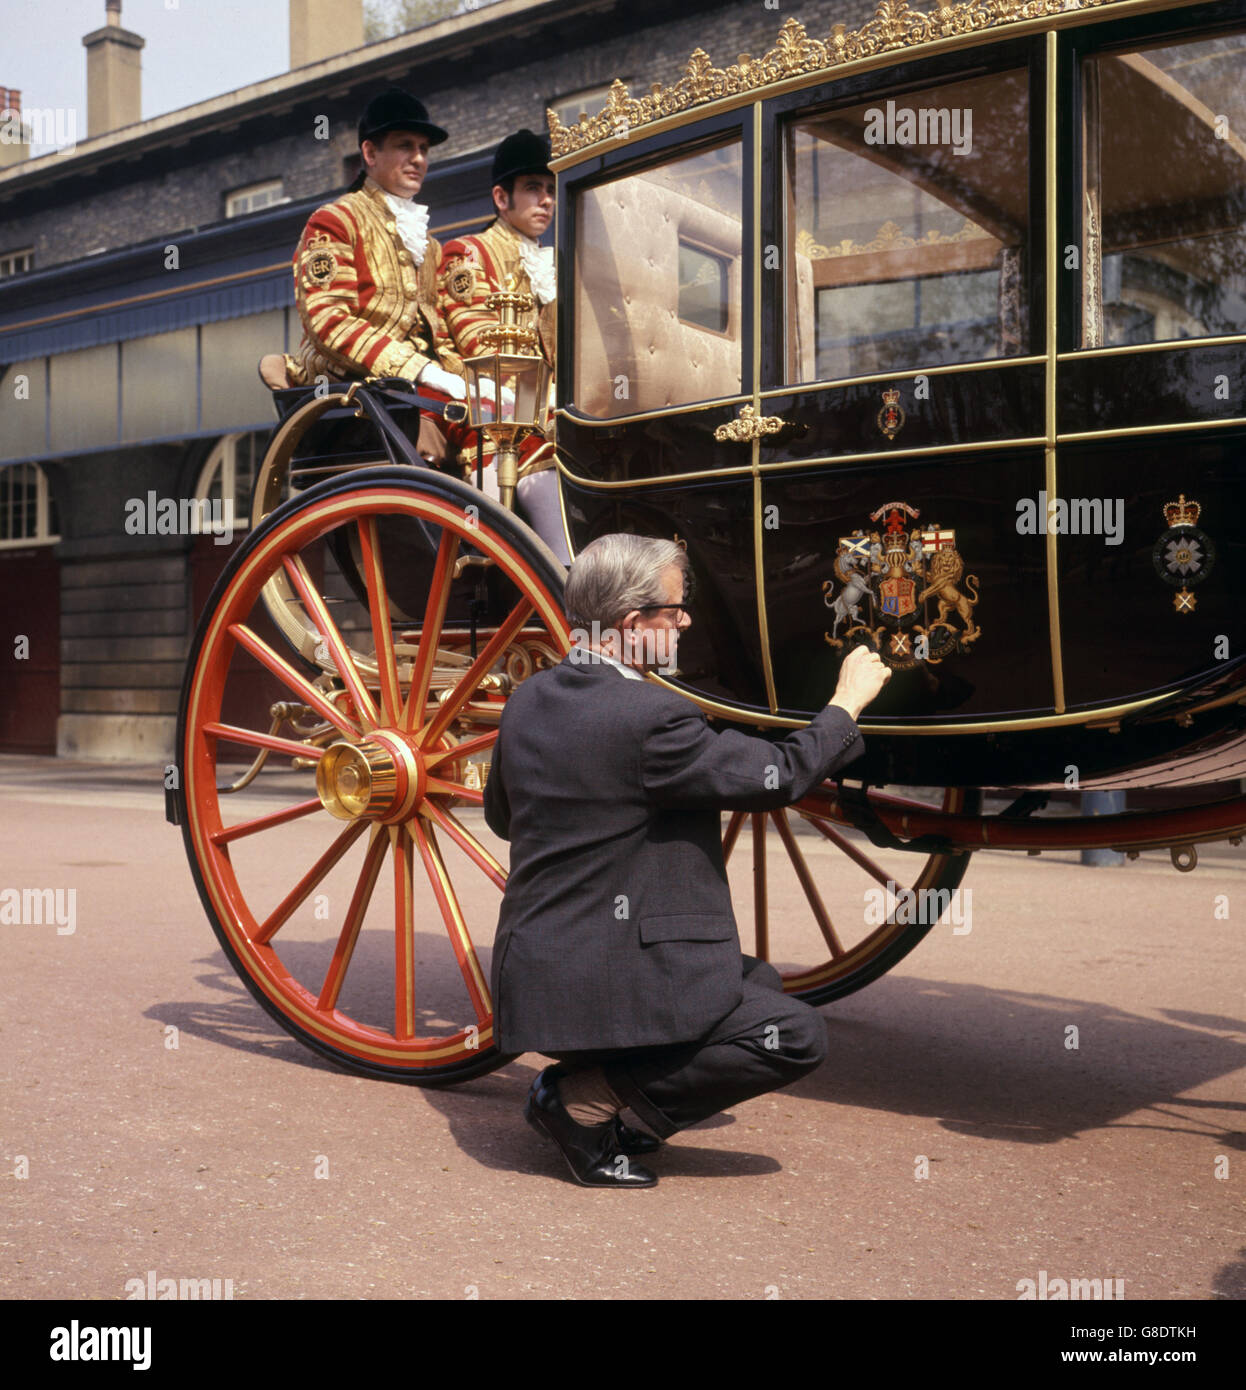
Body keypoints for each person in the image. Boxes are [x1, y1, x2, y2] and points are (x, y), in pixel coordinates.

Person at [482, 534, 891, 1187]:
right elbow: (777, 778)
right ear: (632, 624)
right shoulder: (653, 716)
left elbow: (503, 817)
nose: (687, 620)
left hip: (537, 978)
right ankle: (579, 1105)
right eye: (676, 609)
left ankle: (612, 1102)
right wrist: (846, 705)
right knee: (794, 1034)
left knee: (754, 983)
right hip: (595, 986)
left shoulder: (528, 699)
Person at [280, 87, 476, 458]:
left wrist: (473, 380)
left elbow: (437, 335)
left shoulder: (429, 245)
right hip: (353, 396)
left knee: (502, 422)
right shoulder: (335, 221)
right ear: (369, 153)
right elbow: (329, 322)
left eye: (424, 149)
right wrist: (424, 372)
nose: (418, 158)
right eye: (405, 146)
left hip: (410, 394)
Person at [437, 128, 568, 563]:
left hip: (548, 417)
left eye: (550, 189)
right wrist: (557, 396)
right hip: (491, 424)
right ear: (500, 197)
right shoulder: (466, 254)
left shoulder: (550, 265)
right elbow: (484, 350)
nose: (546, 200)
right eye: (532, 189)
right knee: (549, 477)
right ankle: (564, 581)